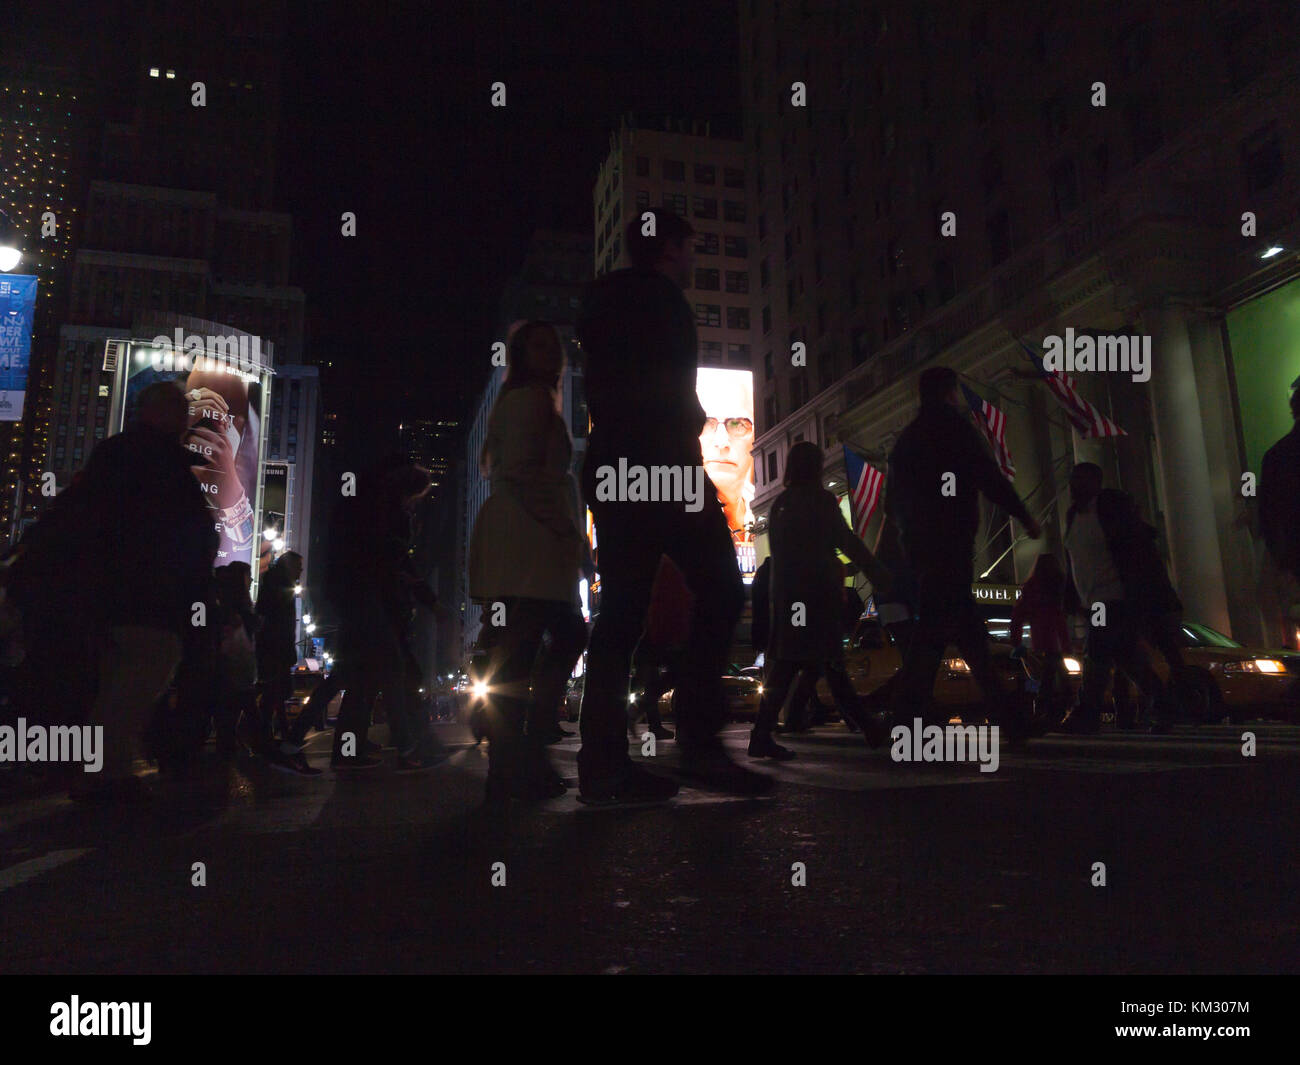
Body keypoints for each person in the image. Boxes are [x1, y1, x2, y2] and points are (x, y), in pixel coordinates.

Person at [577, 208, 766, 802]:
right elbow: (670, 388)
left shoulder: (601, 302)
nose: (693, 261)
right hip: (662, 467)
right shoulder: (663, 301)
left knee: (623, 611)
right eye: (689, 248)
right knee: (720, 588)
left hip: (614, 469)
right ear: (672, 248)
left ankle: (602, 763)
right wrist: (687, 431)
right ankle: (701, 747)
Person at [71, 382, 218, 801]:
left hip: (115, 590)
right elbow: (181, 527)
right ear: (160, 412)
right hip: (147, 591)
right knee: (139, 675)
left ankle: (99, 769)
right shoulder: (158, 460)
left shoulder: (117, 454)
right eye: (178, 408)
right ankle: (105, 772)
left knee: (120, 678)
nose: (185, 417)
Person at [885, 366, 1041, 739]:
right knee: (941, 633)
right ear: (950, 392)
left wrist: (908, 541)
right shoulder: (953, 431)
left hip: (923, 547)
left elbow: (892, 503)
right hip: (950, 541)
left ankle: (910, 714)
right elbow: (988, 477)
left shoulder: (908, 440)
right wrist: (1024, 516)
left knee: (953, 630)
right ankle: (905, 715)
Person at [468, 320, 588, 802]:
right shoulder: (531, 402)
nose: (549, 353)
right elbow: (524, 474)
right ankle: (522, 760)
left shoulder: (521, 400)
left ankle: (513, 766)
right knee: (552, 639)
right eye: (536, 346)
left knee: (521, 649)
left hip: (521, 537)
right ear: (520, 355)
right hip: (529, 537)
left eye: (552, 345)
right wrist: (566, 529)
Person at [749, 441, 891, 759]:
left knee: (792, 664)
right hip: (815, 597)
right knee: (830, 662)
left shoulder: (780, 504)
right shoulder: (820, 501)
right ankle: (868, 728)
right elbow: (847, 541)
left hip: (788, 599)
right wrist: (876, 571)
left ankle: (764, 733)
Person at [331, 460, 443, 771]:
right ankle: (409, 747)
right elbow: (395, 560)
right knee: (393, 673)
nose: (416, 502)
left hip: (371, 604)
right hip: (377, 605)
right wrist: (429, 601)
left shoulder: (375, 510)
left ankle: (350, 748)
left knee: (364, 679)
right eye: (417, 495)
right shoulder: (388, 515)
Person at [1061, 462, 1180, 734]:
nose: (1073, 486)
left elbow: (1132, 551)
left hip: (1112, 596)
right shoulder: (1072, 516)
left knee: (1097, 652)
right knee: (1128, 659)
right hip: (1093, 599)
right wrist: (1071, 596)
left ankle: (1086, 712)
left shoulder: (1109, 511)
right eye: (1072, 479)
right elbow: (1073, 561)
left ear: (1096, 483)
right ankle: (1164, 704)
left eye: (1080, 479)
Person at [254, 551, 320, 774]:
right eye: (299, 566)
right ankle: (284, 748)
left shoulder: (276, 585)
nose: (301, 570)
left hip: (273, 650)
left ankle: (270, 742)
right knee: (275, 695)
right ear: (289, 566)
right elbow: (278, 624)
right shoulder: (280, 588)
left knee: (273, 697)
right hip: (275, 651)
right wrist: (284, 650)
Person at [1009, 553, 1072, 728]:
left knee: (1047, 678)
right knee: (1057, 678)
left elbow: (1017, 617)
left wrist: (1016, 641)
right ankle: (1057, 711)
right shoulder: (1056, 589)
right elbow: (1059, 619)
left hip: (1039, 641)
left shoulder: (1030, 589)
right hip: (1054, 643)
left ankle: (1043, 711)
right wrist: (1066, 644)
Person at [212, 562, 260, 758]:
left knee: (232, 710)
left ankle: (229, 746)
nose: (251, 580)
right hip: (236, 663)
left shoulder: (223, 601)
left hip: (230, 663)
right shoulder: (237, 605)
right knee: (247, 708)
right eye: (249, 576)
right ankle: (264, 748)